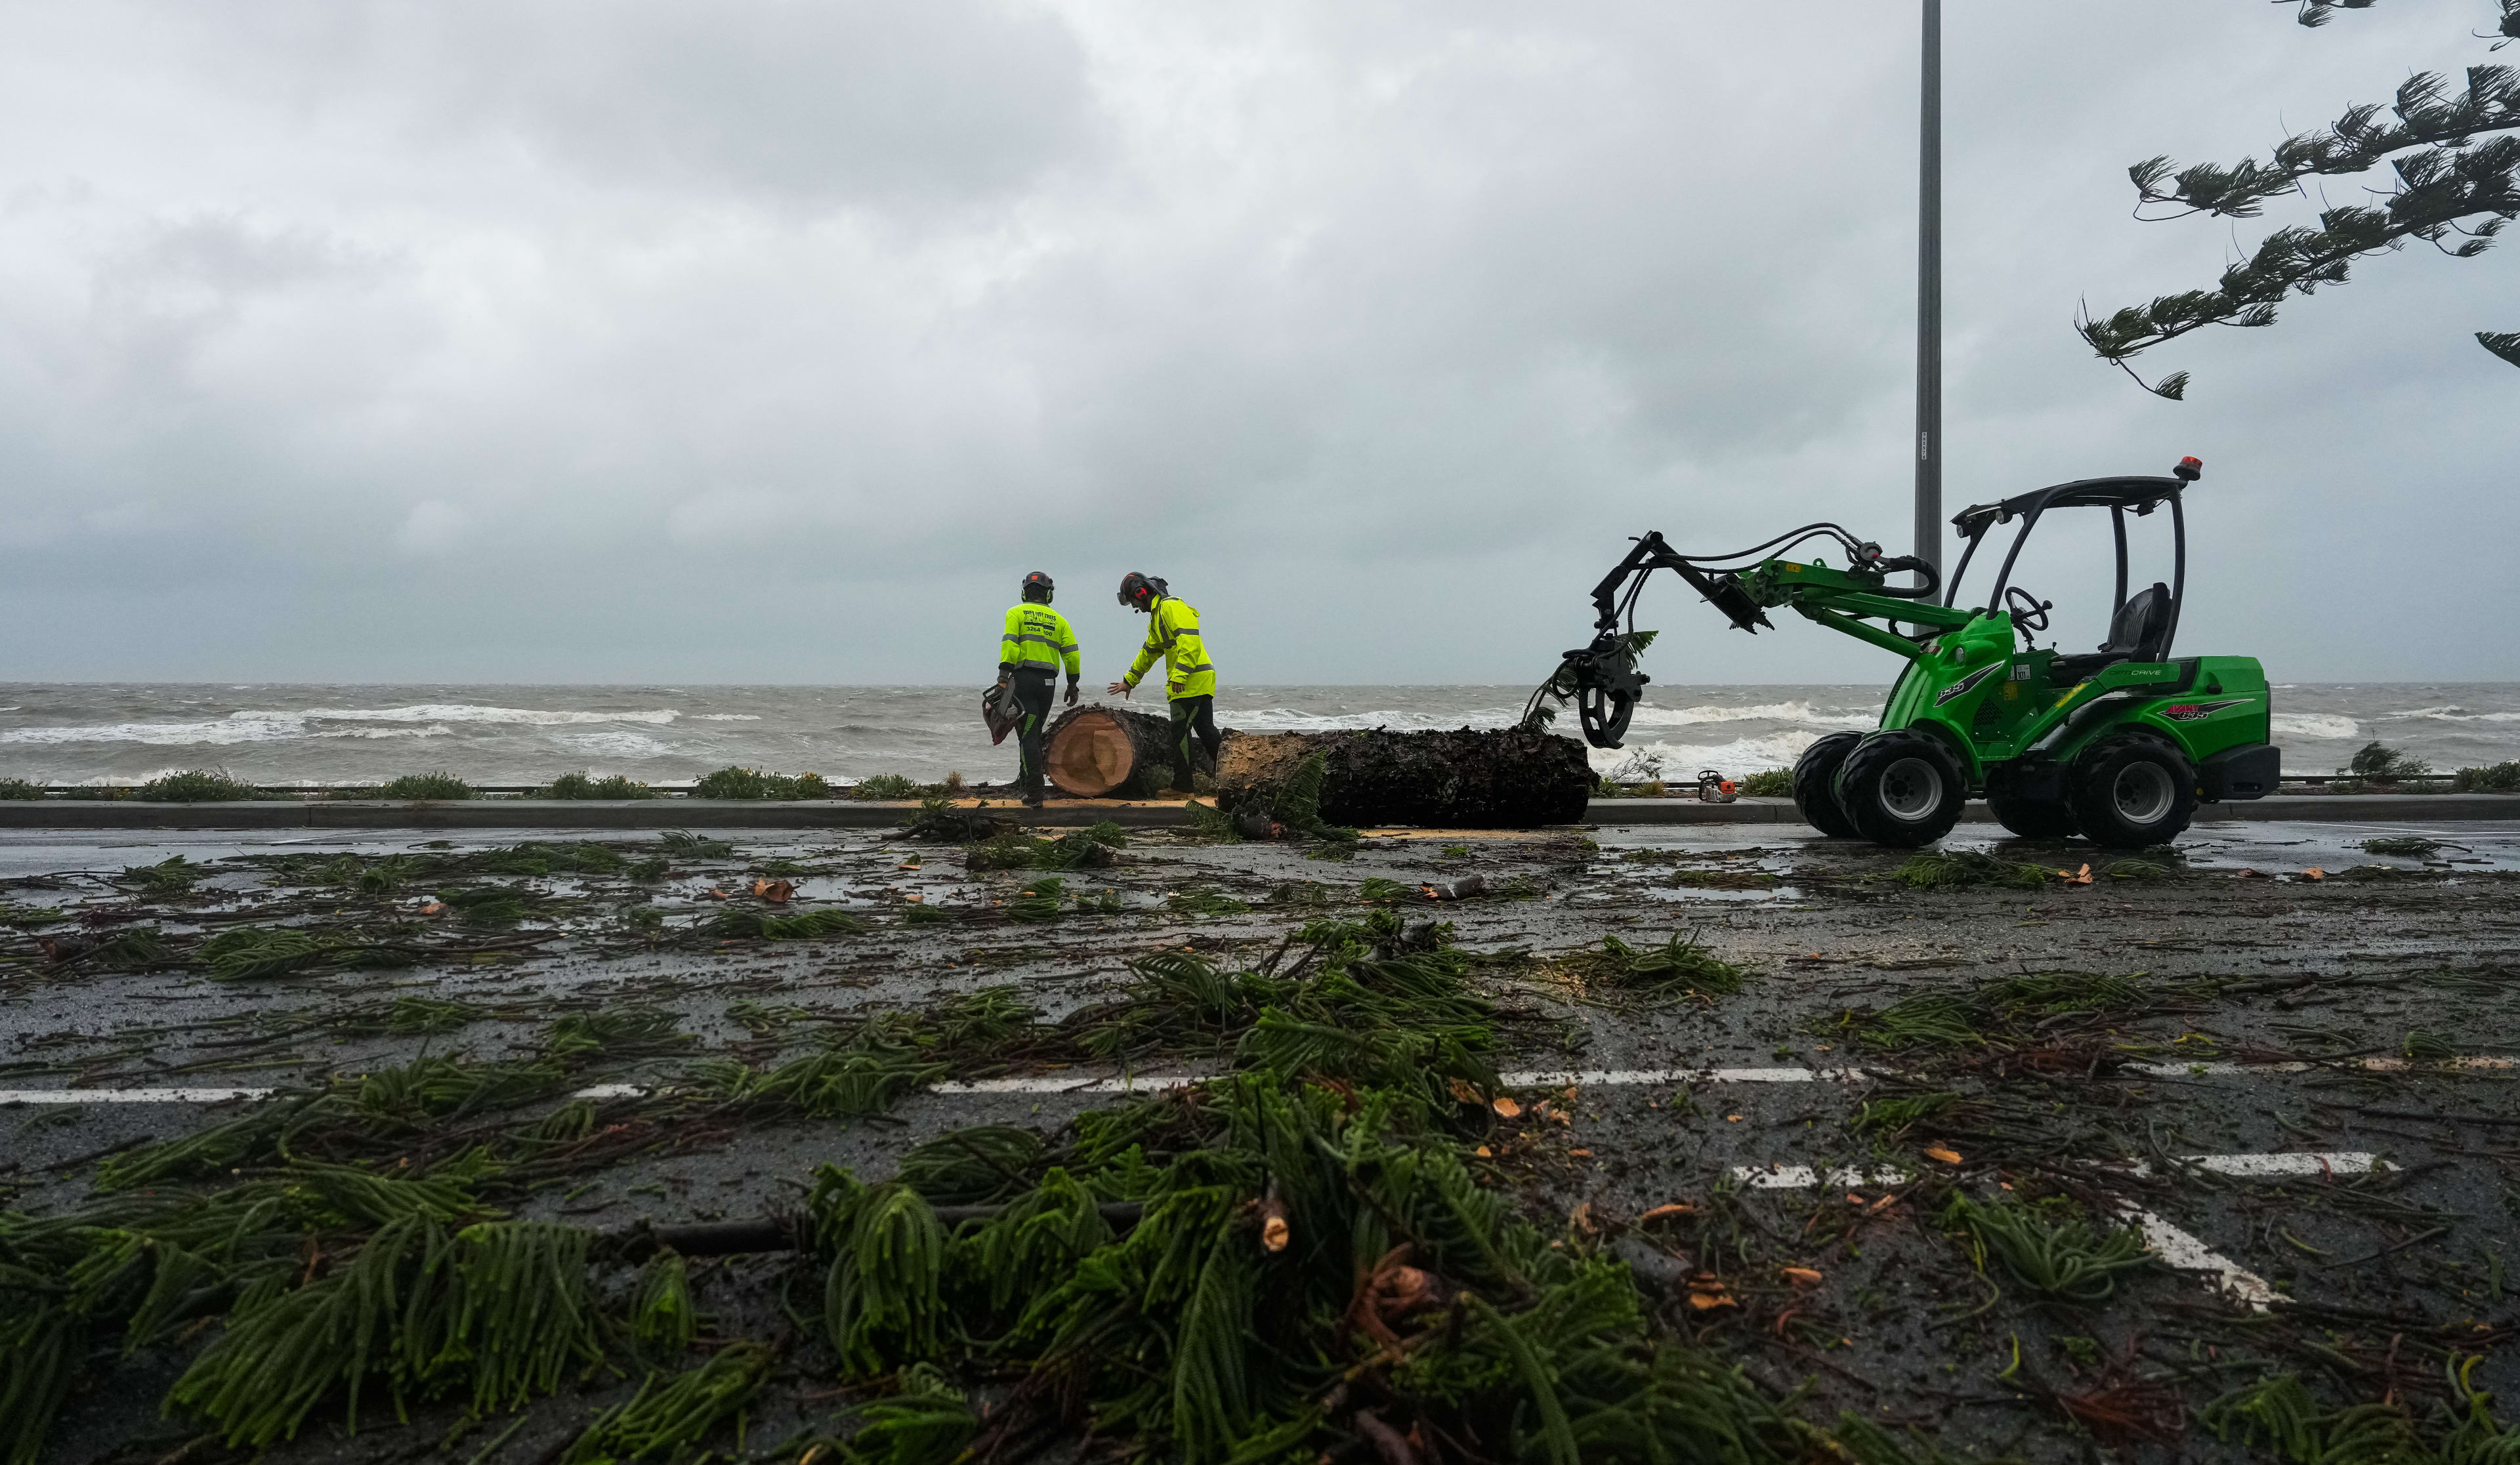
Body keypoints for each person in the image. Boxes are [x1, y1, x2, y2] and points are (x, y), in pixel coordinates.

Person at [1108, 571, 1219, 794]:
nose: (1135, 608)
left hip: (1190, 681)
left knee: (1180, 733)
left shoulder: (1171, 607)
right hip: (1193, 679)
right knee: (1206, 731)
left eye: (1134, 601)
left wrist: (1180, 675)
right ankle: (1230, 776)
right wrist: (1130, 680)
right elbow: (1149, 652)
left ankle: (1183, 787)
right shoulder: (1158, 617)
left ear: (1141, 592)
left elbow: (1190, 641)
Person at [998, 571, 1080, 808]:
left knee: (1028, 736)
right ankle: (1026, 783)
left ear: (1024, 592)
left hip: (1023, 681)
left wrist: (1004, 675)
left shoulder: (1015, 613)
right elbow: (1072, 655)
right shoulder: (1060, 621)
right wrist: (1073, 684)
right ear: (1049, 594)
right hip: (1048, 684)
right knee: (1032, 732)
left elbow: (1011, 645)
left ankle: (1035, 793)